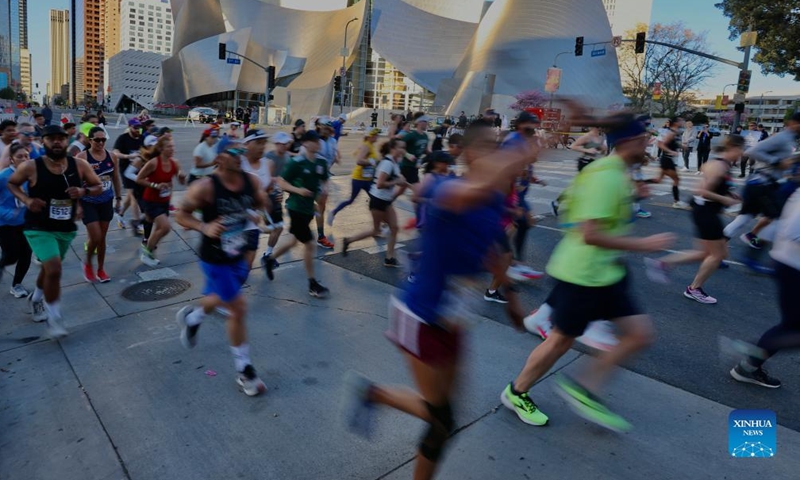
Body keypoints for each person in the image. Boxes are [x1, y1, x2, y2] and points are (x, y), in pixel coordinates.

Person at [341, 121, 532, 480]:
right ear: (473, 155)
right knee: (441, 420)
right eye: (495, 148)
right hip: (420, 315)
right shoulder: (448, 188)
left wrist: (510, 296)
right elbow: (444, 198)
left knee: (445, 417)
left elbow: (491, 251)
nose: (505, 157)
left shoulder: (492, 201)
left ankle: (373, 393)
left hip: (454, 318)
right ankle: (375, 394)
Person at [501, 112, 675, 432]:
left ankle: (585, 389)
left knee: (639, 334)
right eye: (643, 138)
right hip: (584, 274)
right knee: (560, 342)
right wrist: (645, 245)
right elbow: (589, 233)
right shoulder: (606, 176)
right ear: (627, 142)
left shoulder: (617, 171)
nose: (649, 141)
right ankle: (517, 391)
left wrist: (635, 194)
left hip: (608, 271)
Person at [175, 142, 269, 396]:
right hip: (214, 258)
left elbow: (259, 203)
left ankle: (192, 318)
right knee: (238, 307)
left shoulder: (251, 181)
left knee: (218, 299)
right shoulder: (205, 187)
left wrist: (255, 213)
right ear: (219, 157)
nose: (241, 157)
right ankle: (244, 370)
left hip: (237, 254)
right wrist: (204, 227)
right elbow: (181, 214)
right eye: (234, 153)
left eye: (242, 152)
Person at [6, 125, 103, 337]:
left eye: (61, 138)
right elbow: (12, 184)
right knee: (55, 269)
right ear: (44, 141)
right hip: (37, 227)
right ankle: (54, 317)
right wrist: (27, 199)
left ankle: (36, 298)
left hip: (65, 228)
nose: (57, 142)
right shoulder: (31, 166)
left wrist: (83, 191)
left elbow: (98, 186)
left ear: (67, 141)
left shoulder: (79, 165)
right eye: (51, 139)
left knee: (49, 270)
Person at [644, 135, 745, 304]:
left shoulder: (722, 164)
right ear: (734, 148)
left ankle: (662, 264)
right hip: (706, 212)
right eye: (742, 149)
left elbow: (712, 188)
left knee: (706, 253)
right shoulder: (719, 166)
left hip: (705, 211)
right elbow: (702, 191)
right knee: (717, 254)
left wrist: (727, 193)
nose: (743, 153)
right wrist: (724, 199)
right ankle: (694, 288)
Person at [729, 187, 800, 389]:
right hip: (792, 267)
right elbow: (794, 232)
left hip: (790, 264)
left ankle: (750, 360)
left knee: (792, 325)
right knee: (792, 327)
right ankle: (749, 358)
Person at [262, 130, 330, 297]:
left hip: (308, 208)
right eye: (314, 141)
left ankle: (270, 260)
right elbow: (281, 181)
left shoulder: (321, 162)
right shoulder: (296, 162)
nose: (318, 144)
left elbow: (324, 179)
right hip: (296, 207)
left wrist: (325, 188)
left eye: (319, 141)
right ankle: (312, 283)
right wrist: (298, 190)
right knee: (310, 244)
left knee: (293, 241)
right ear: (306, 143)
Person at [723, 112, 800, 253]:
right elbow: (752, 151)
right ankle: (761, 250)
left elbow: (784, 160)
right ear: (794, 124)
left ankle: (716, 248)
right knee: (777, 216)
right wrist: (776, 162)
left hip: (763, 183)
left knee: (744, 218)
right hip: (761, 184)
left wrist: (791, 161)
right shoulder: (782, 137)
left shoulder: (790, 140)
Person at [341, 138, 407, 267]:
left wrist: (402, 180)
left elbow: (399, 178)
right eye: (401, 147)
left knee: (394, 227)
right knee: (376, 230)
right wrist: (396, 182)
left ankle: (389, 258)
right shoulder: (387, 163)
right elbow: (379, 184)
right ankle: (348, 240)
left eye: (404, 147)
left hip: (386, 201)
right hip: (378, 200)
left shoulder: (395, 162)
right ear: (393, 149)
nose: (403, 150)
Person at [76, 126, 122, 283]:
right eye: (97, 140)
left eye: (104, 139)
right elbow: (76, 182)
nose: (101, 142)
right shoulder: (82, 157)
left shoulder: (112, 156)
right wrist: (77, 204)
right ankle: (88, 263)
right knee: (95, 236)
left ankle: (101, 269)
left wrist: (119, 198)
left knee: (102, 238)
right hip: (88, 202)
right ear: (90, 140)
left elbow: (115, 177)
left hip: (106, 201)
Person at [136, 137, 186, 266]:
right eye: (169, 147)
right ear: (161, 149)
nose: (172, 149)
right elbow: (139, 179)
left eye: (173, 146)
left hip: (164, 200)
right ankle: (146, 252)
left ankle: (149, 251)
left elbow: (181, 182)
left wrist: (181, 177)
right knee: (165, 227)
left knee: (160, 228)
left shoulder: (175, 163)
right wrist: (155, 185)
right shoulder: (153, 163)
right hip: (151, 200)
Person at [328, 128, 381, 226]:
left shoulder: (371, 145)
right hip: (359, 179)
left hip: (367, 179)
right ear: (372, 136)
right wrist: (371, 162)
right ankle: (333, 213)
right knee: (351, 200)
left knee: (375, 200)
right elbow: (359, 161)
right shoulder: (366, 146)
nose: (378, 137)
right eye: (377, 135)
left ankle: (379, 224)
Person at [0, 143, 33, 298]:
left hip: (26, 223)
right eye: (20, 156)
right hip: (5, 224)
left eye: (26, 156)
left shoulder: (32, 175)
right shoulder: (4, 176)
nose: (24, 159)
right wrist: (8, 213)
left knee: (26, 254)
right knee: (12, 255)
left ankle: (17, 285)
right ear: (12, 159)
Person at [239, 129, 271, 267]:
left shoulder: (266, 164)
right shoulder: (237, 162)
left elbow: (265, 191)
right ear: (246, 144)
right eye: (258, 143)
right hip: (235, 223)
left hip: (253, 223)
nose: (262, 146)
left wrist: (272, 192)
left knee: (247, 266)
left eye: (264, 143)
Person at [261, 131, 292, 260]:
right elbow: (266, 179)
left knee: (278, 227)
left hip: (277, 197)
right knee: (271, 227)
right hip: (265, 197)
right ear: (276, 144)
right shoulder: (268, 157)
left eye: (287, 144)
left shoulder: (287, 158)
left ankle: (268, 253)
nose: (285, 146)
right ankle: (250, 229)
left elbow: (287, 179)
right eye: (282, 144)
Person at [114, 118, 145, 234]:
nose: (138, 130)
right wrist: (128, 156)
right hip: (126, 170)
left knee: (130, 195)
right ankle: (137, 223)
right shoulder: (123, 138)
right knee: (133, 196)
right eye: (135, 128)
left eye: (139, 128)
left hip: (139, 170)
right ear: (130, 127)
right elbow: (116, 153)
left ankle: (120, 214)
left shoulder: (142, 138)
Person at [314, 119, 338, 249]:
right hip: (311, 177)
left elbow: (333, 157)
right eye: (323, 126)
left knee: (321, 206)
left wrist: (326, 170)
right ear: (318, 126)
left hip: (324, 177)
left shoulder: (333, 141)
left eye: (328, 127)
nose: (325, 129)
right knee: (315, 204)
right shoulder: (314, 139)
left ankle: (320, 236)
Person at [655, 118, 688, 208]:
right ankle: (676, 201)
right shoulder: (671, 132)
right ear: (676, 123)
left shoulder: (676, 132)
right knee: (676, 179)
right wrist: (671, 151)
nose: (682, 122)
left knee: (658, 180)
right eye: (681, 121)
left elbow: (673, 143)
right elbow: (661, 144)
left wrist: (681, 146)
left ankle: (638, 184)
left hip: (668, 159)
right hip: (667, 159)